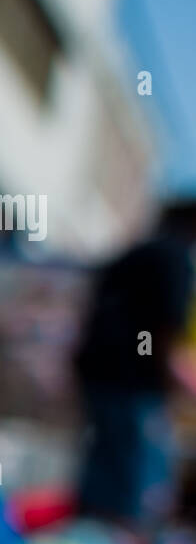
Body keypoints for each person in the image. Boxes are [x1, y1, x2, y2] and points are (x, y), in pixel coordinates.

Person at [74, 200, 196, 527]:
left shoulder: (132, 255)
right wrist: (176, 379)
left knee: (105, 462)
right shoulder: (173, 259)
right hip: (133, 381)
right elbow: (164, 329)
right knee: (133, 474)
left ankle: (89, 533)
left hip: (99, 374)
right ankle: (112, 543)